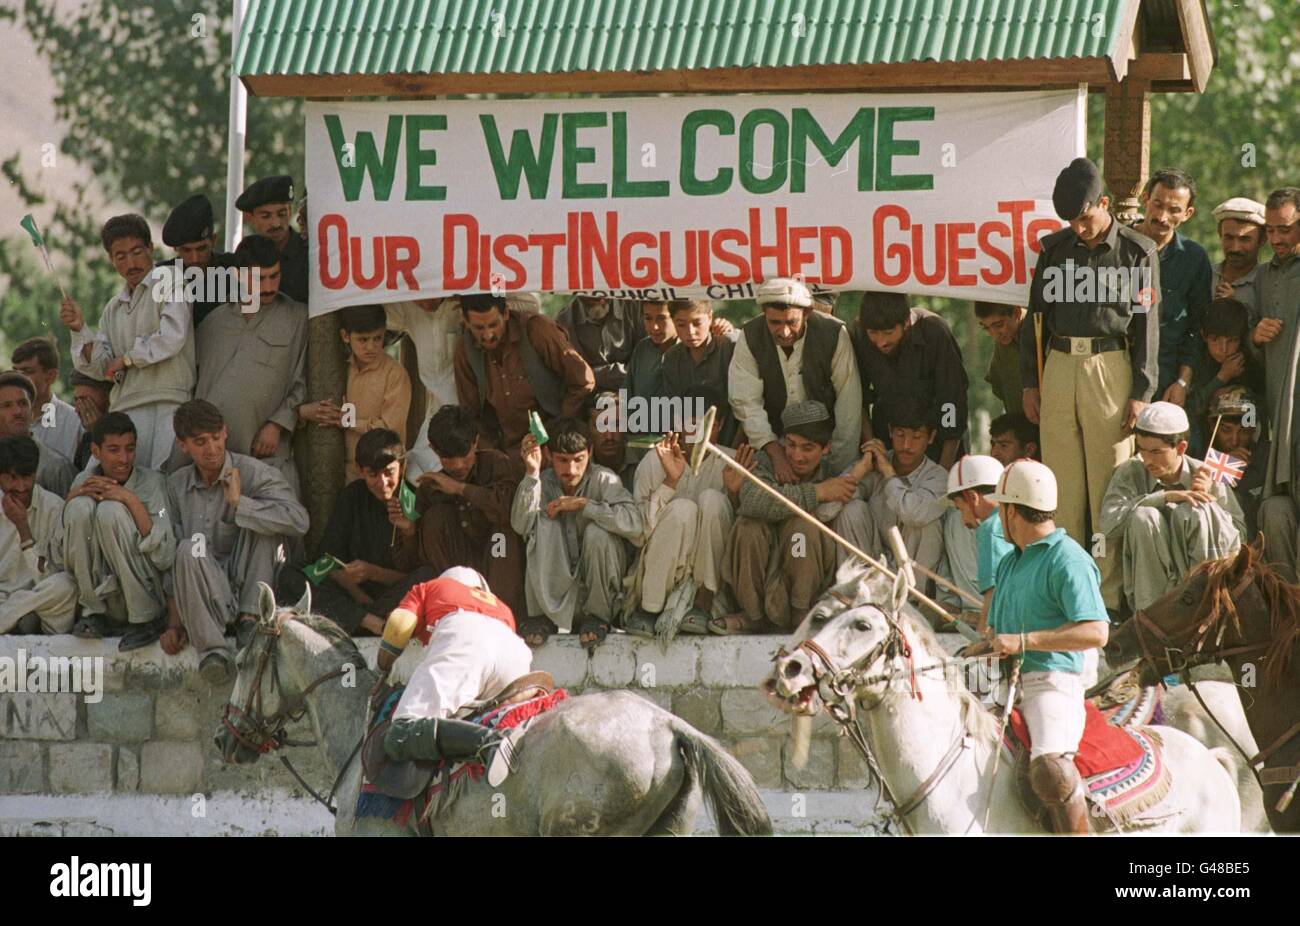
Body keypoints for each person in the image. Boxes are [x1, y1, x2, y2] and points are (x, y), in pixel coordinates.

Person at [1023, 157, 1160, 612]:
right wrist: (1031, 382)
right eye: (1071, 221)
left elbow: (1147, 328)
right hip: (1059, 364)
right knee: (1059, 490)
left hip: (1111, 365)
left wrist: (1142, 392)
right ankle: (1065, 596)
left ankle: (1106, 602)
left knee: (1109, 490)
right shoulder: (1053, 250)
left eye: (1085, 218)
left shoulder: (1138, 252)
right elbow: (1034, 321)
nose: (1079, 228)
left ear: (1105, 204)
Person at [986, 459, 1110, 835]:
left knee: (1050, 770)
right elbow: (999, 633)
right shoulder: (1009, 562)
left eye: (1000, 509)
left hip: (1052, 683)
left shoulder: (1069, 558)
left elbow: (1096, 631)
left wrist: (1025, 642)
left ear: (1011, 510)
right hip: (1001, 681)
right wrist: (981, 648)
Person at [164, 400, 309, 684]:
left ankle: (250, 621)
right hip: (208, 596)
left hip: (253, 585)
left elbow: (300, 521)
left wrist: (241, 504)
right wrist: (174, 623)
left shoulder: (256, 473)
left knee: (261, 520)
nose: (212, 448)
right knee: (185, 548)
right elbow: (172, 555)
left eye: (216, 438)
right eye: (200, 442)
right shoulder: (175, 486)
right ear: (184, 446)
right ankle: (213, 653)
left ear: (226, 433)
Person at [61, 213, 196, 470]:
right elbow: (101, 368)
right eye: (120, 256)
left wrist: (127, 359)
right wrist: (79, 329)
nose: (131, 263)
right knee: (93, 483)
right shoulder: (114, 308)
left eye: (136, 252)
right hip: (125, 411)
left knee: (156, 483)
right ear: (111, 260)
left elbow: (172, 336)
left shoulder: (169, 279)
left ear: (150, 248)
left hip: (167, 404)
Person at [376, 566, 532, 781]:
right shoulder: (502, 607)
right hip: (516, 653)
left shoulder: (430, 587)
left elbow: (398, 624)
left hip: (463, 639)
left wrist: (383, 665)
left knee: (401, 733)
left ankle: (490, 743)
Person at [623, 388, 754, 637]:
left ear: (719, 426)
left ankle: (704, 602)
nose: (697, 430)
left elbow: (743, 536)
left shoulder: (733, 462)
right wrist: (670, 482)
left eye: (705, 423)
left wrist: (735, 495)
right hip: (660, 577)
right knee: (683, 509)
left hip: (712, 580)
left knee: (712, 500)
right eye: (689, 421)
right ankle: (650, 609)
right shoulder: (654, 461)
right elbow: (638, 534)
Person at [720, 400, 859, 634]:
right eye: (791, 445)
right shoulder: (764, 463)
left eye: (808, 448)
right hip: (764, 566)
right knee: (748, 527)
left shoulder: (832, 470)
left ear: (826, 448)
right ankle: (753, 615)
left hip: (803, 568)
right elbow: (755, 502)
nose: (797, 456)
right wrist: (819, 492)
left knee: (802, 526)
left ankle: (800, 612)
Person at [278, 429, 434, 637]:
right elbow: (326, 560)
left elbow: (418, 573)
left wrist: (374, 572)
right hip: (353, 598)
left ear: (402, 467)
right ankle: (371, 622)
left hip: (394, 599)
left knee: (429, 577)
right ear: (360, 470)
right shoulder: (353, 496)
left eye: (389, 472)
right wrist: (354, 589)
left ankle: (356, 619)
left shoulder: (415, 501)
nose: (382, 482)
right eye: (373, 474)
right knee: (292, 573)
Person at [510, 416, 643, 650]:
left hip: (598, 594)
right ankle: (542, 618)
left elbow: (635, 525)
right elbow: (520, 526)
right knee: (542, 524)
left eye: (578, 460)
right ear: (549, 456)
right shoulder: (542, 481)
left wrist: (585, 505)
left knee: (597, 534)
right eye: (562, 460)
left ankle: (598, 619)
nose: (570, 469)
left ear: (590, 453)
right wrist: (531, 474)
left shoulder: (604, 479)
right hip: (556, 594)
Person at [1099, 402, 1244, 615]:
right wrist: (1163, 497)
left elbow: (1241, 535)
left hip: (1197, 589)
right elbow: (1107, 525)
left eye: (1156, 452)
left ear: (1181, 448)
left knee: (1199, 511)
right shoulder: (1131, 471)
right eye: (1142, 450)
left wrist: (1211, 503)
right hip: (1150, 592)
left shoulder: (1205, 473)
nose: (1147, 459)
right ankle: (1150, 618)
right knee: (1143, 516)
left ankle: (1204, 612)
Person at [193, 234, 308, 491]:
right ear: (238, 276)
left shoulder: (298, 319)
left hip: (267, 454)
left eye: (274, 276)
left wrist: (279, 423)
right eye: (259, 278)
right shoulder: (212, 324)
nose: (268, 287)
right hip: (211, 459)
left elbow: (304, 380)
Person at [387, 293, 542, 479]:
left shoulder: (464, 300)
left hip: (482, 414)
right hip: (438, 415)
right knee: (414, 476)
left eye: (429, 294)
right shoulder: (408, 309)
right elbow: (366, 302)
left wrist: (471, 297)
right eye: (417, 297)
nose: (425, 302)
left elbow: (531, 304)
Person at [392, 405, 526, 621]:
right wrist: (408, 531)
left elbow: (507, 511)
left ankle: (502, 617)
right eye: (448, 459)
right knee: (435, 519)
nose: (458, 465)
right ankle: (457, 609)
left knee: (502, 536)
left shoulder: (496, 464)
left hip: (500, 565)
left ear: (475, 442)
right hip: (460, 574)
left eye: (464, 456)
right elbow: (409, 563)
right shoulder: (430, 487)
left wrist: (458, 488)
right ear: (434, 450)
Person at [729, 278, 862, 480]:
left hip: (825, 447)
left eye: (792, 322)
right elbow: (746, 402)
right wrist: (775, 452)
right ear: (764, 313)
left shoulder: (833, 333)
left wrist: (838, 469)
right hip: (772, 442)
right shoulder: (750, 335)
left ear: (807, 313)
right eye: (775, 322)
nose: (784, 332)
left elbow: (848, 405)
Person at [62, 412, 175, 649]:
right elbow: (61, 547)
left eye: (130, 449)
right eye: (114, 450)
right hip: (104, 594)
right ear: (95, 451)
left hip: (144, 590)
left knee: (111, 511)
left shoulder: (153, 484)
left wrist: (130, 501)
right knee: (79, 508)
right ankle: (93, 612)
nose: (124, 458)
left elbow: (165, 553)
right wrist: (72, 499)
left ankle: (144, 620)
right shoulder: (85, 481)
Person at [454, 293, 595, 455]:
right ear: (466, 322)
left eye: (494, 325)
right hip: (507, 452)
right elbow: (471, 415)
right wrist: (494, 457)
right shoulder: (465, 350)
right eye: (479, 328)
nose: (488, 335)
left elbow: (584, 381)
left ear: (506, 314)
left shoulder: (537, 330)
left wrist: (559, 434)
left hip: (555, 450)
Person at [836, 394, 949, 581]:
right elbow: (826, 511)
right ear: (890, 432)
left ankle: (912, 603)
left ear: (931, 437)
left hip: (913, 577)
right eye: (900, 434)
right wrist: (860, 470)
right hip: (872, 564)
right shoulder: (873, 464)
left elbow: (914, 513)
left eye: (916, 437)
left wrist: (889, 474)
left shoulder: (938, 477)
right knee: (850, 509)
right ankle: (857, 590)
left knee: (925, 521)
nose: (906, 445)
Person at [853, 291, 969, 468]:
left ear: (906, 323)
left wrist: (945, 466)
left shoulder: (934, 331)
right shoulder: (859, 333)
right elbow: (858, 398)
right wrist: (872, 449)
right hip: (888, 442)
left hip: (939, 443)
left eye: (888, 332)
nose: (880, 342)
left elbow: (951, 402)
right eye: (873, 333)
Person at [1132, 169, 1213, 402]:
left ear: (1188, 214)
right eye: (1157, 205)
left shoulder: (1194, 258)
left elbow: (1197, 327)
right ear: (1145, 199)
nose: (1163, 217)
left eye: (1174, 210)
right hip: (1117, 372)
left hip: (1165, 378)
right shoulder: (1119, 246)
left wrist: (1182, 382)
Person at [1254, 188, 1300, 529]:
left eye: (1284, 229)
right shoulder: (1263, 275)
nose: (1276, 238)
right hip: (1279, 412)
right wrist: (1256, 335)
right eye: (1270, 230)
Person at [326, 304, 412, 483]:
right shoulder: (341, 368)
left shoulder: (395, 374)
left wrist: (349, 422)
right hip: (348, 474)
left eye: (377, 338)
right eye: (363, 340)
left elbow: (390, 430)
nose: (371, 347)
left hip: (383, 475)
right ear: (345, 336)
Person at [0, 436, 75, 634]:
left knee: (65, 585)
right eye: (12, 478)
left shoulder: (54, 508)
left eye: (27, 477)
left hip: (39, 602)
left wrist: (23, 528)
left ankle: (10, 618)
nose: (21, 487)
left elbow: (48, 578)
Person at [943, 454, 1013, 632]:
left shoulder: (990, 528)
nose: (962, 518)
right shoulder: (1012, 516)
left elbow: (994, 597)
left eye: (961, 508)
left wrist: (980, 648)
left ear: (973, 497)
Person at [1185, 297, 1264, 455]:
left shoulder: (1249, 365)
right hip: (1201, 447)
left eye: (1231, 341)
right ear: (1203, 336)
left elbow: (1259, 414)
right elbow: (1190, 409)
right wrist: (1221, 378)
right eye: (1215, 340)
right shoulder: (1196, 362)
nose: (1223, 349)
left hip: (1242, 445)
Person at [662, 298, 740, 444]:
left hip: (731, 441)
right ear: (673, 321)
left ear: (710, 317)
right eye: (681, 325)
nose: (690, 332)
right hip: (690, 442)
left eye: (697, 323)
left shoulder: (729, 346)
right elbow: (674, 409)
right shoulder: (672, 358)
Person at [161, 193, 237, 328]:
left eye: (201, 249)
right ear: (175, 248)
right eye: (187, 250)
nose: (195, 258)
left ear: (213, 241)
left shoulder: (235, 269)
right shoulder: (162, 277)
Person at [0, 371, 76, 497]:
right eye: (7, 405)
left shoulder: (55, 468)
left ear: (31, 410)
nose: (17, 411)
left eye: (23, 403)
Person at [236, 175, 308, 303]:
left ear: (290, 211)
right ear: (249, 217)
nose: (276, 223)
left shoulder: (309, 253)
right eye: (266, 216)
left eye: (282, 214)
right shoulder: (245, 253)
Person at [12, 336, 83, 464]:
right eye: (15, 371)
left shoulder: (74, 422)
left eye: (27, 372)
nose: (18, 378)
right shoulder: (6, 417)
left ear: (51, 376)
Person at [556, 295, 643, 391]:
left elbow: (643, 367)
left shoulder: (635, 307)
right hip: (590, 398)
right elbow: (573, 376)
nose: (596, 297)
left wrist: (593, 374)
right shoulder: (564, 322)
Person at [1210, 197, 1266, 312]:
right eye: (1229, 238)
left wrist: (1234, 305)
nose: (1235, 248)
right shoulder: (1205, 275)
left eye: (1245, 239)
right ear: (1220, 235)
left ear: (1262, 240)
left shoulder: (1268, 282)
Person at [974, 302, 1025, 414]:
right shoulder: (1002, 344)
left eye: (998, 325)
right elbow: (997, 385)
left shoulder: (1041, 332)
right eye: (986, 328)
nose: (995, 334)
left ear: (1017, 312)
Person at [624, 300, 676, 408]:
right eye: (648, 318)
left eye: (661, 318)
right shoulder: (642, 349)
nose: (654, 327)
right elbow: (627, 396)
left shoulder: (691, 349)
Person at [586, 391, 638, 490]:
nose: (609, 436)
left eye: (616, 425)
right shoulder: (578, 467)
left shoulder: (644, 459)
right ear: (587, 429)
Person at [69, 371, 112, 471]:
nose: (77, 409)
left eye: (84, 399)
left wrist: (98, 431)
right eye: (76, 400)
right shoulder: (86, 439)